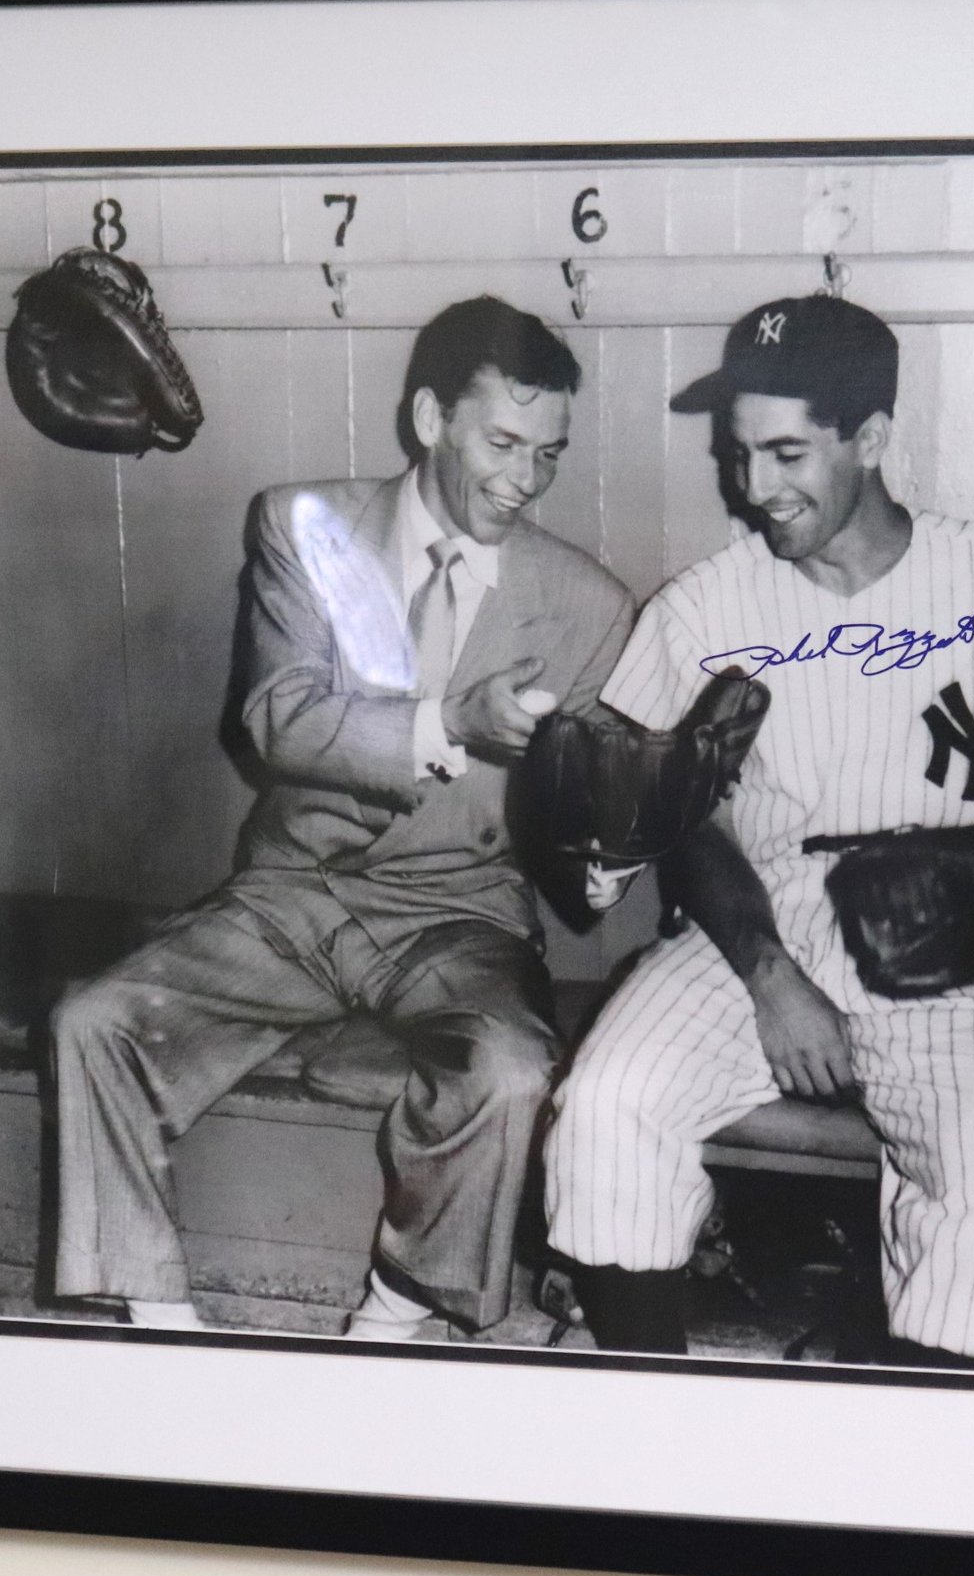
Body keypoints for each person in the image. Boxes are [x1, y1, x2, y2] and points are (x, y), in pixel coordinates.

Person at [542, 295, 974, 1367]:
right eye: (738, 456)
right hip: (758, 918)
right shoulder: (703, 606)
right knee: (606, 1103)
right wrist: (773, 979)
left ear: (870, 440)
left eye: (788, 454)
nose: (756, 489)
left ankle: (921, 1465)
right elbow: (676, 825)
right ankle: (648, 1411)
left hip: (949, 925)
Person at [51, 295, 633, 1340]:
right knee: (91, 1021)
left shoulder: (590, 604)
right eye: (500, 441)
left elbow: (576, 816)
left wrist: (603, 856)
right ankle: (157, 1315)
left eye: (547, 453)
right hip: (290, 895)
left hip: (459, 911)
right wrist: (452, 718)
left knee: (506, 1072)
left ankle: (394, 1314)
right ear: (426, 418)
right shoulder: (302, 523)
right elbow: (281, 719)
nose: (524, 478)